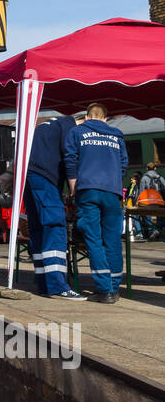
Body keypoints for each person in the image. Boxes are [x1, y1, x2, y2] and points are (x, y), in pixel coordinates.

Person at [64, 104, 129, 304]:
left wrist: (73, 188)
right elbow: (123, 164)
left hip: (88, 190)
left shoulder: (76, 132)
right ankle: (115, 286)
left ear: (86, 116)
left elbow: (70, 161)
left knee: (94, 239)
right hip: (113, 192)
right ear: (104, 118)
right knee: (113, 240)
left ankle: (105, 289)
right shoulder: (117, 136)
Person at [23, 114, 84, 299]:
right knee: (55, 227)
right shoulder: (70, 127)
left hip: (29, 177)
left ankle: (44, 284)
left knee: (39, 230)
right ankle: (58, 287)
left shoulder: (49, 125)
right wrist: (74, 187)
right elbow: (70, 157)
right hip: (45, 178)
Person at [137, 161, 165, 240]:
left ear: (147, 168)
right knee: (161, 216)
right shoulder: (160, 177)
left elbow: (141, 192)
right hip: (159, 202)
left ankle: (152, 231)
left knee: (146, 216)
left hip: (148, 203)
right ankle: (159, 230)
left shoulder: (144, 178)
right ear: (155, 168)